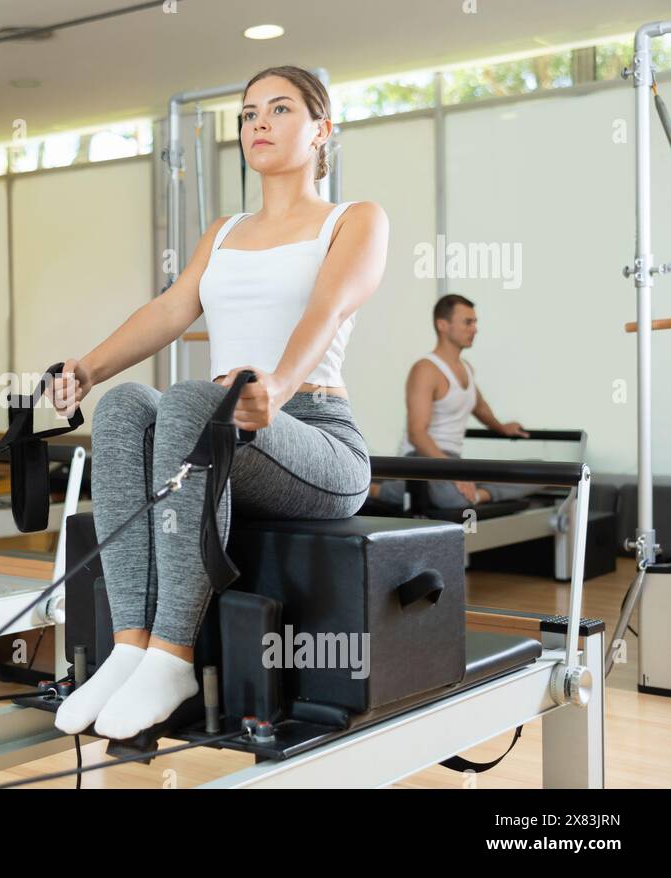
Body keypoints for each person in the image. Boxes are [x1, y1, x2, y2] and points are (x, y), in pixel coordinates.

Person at [49, 66, 388, 740]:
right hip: (221, 435)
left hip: (316, 437)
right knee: (123, 407)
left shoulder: (354, 220)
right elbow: (172, 307)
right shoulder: (225, 230)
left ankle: (172, 657)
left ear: (322, 130)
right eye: (248, 113)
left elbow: (328, 309)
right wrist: (88, 367)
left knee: (190, 399)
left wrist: (278, 388)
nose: (258, 123)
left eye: (281, 109)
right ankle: (129, 647)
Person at [373, 293, 533, 509]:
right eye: (468, 322)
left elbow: (480, 407)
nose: (474, 329)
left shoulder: (466, 368)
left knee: (536, 472)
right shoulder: (426, 370)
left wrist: (502, 427)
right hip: (421, 458)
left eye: (475, 322)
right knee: (451, 498)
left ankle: (475, 493)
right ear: (443, 325)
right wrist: (451, 472)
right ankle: (377, 490)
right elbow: (417, 434)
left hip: (453, 461)